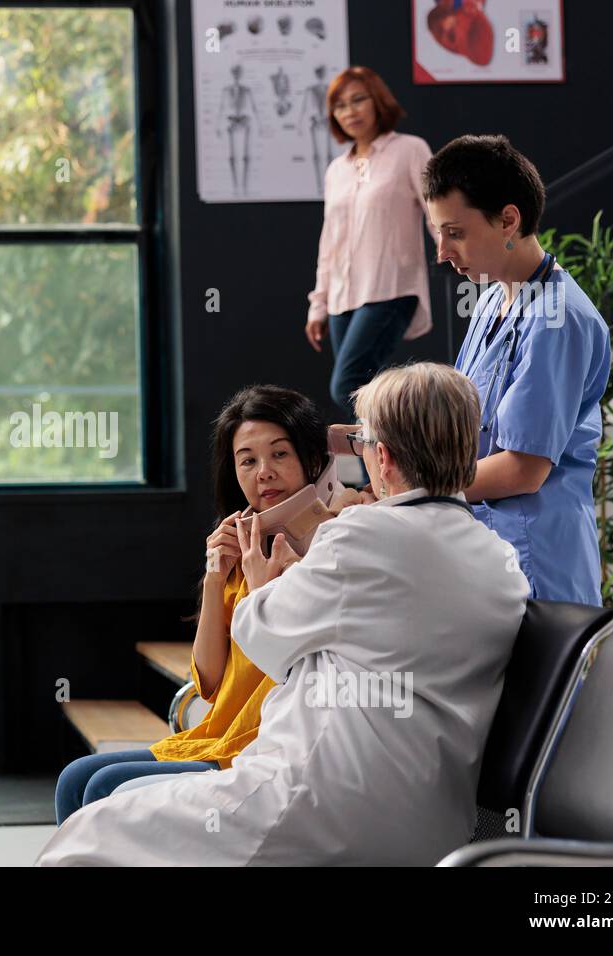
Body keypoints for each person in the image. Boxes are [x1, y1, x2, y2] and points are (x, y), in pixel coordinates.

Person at [37, 364, 528, 865]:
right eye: (246, 460)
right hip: (435, 822)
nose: (263, 472)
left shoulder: (359, 535)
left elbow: (263, 640)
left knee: (88, 833)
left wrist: (261, 584)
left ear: (382, 456)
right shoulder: (501, 562)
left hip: (320, 800)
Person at [52, 386, 353, 824]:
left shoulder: (332, 544)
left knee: (103, 787)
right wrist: (215, 576)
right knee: (75, 777)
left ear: (314, 460)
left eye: (280, 454)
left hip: (261, 749)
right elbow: (209, 680)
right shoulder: (240, 545)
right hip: (217, 734)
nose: (263, 472)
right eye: (247, 460)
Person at [424, 134, 610, 605]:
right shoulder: (492, 298)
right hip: (488, 550)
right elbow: (461, 418)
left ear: (509, 219)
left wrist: (414, 486)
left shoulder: (559, 318)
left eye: (456, 233)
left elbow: (524, 470)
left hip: (538, 559)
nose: (441, 252)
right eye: (438, 233)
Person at [305, 65, 435, 485]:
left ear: (378, 100)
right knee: (362, 392)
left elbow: (436, 209)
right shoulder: (336, 169)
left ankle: (394, 469)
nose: (350, 111)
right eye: (339, 105)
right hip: (343, 296)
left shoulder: (410, 150)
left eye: (358, 99)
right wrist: (318, 304)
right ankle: (383, 480)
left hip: (391, 286)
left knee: (347, 384)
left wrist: (454, 245)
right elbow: (330, 240)